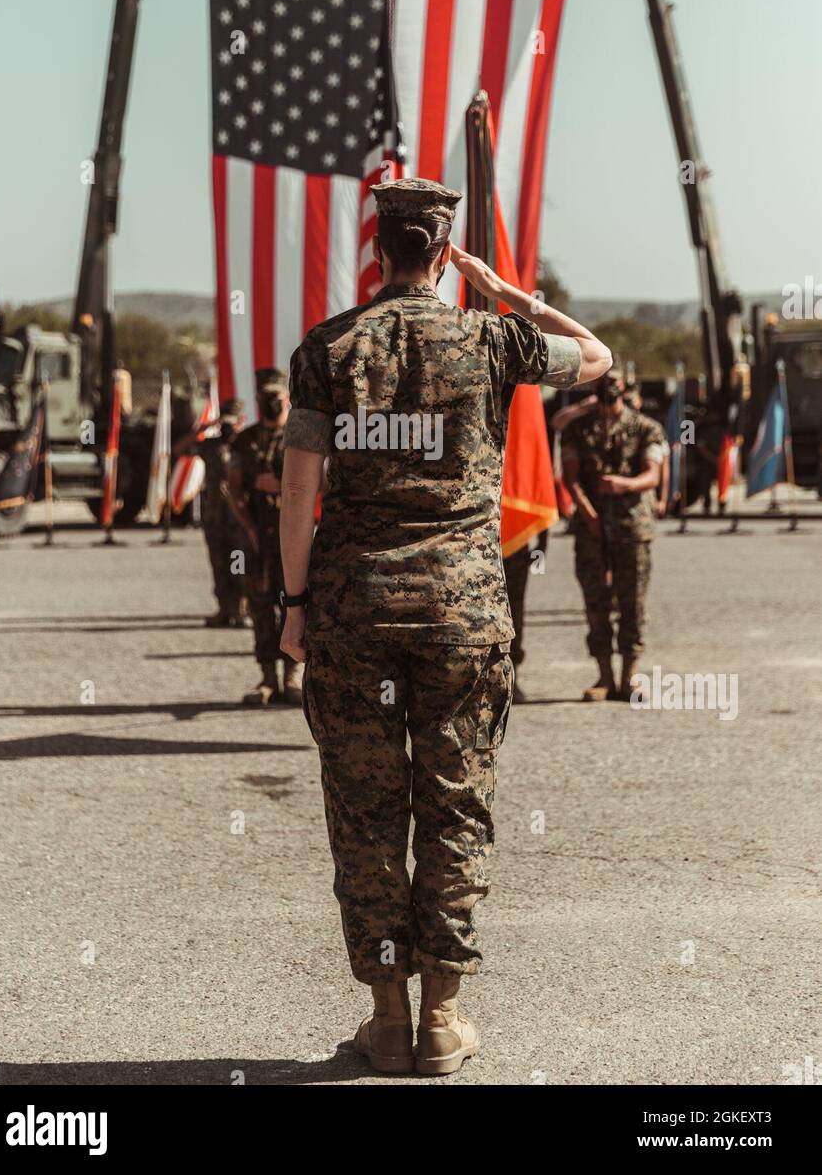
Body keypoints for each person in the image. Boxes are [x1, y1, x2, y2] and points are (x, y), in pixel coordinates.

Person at [278, 177, 611, 1076]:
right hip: (461, 611)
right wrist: (503, 288)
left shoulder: (328, 347)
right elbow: (598, 355)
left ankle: (387, 1018)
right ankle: (443, 1020)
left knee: (366, 810)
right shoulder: (492, 337)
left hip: (353, 608)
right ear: (443, 245)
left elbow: (300, 490)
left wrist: (295, 606)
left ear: (378, 247)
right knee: (456, 802)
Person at [560, 371, 665, 702]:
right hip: (590, 528)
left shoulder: (646, 427)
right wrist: (586, 511)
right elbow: (570, 476)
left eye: (615, 383)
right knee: (596, 601)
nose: (609, 388)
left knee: (632, 601)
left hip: (631, 526)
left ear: (626, 389)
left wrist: (625, 485)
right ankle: (604, 675)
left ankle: (629, 675)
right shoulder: (578, 428)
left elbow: (652, 474)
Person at [227, 369, 303, 707]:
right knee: (260, 606)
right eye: (264, 398)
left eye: (276, 397)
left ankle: (293, 676)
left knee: (295, 603)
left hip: (295, 536)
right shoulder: (246, 440)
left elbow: (325, 483)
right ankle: (268, 678)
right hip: (259, 537)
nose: (271, 403)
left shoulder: (300, 437)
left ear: (286, 398)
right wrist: (249, 528)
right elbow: (234, 489)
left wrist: (284, 488)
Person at [174, 398, 246, 628]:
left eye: (231, 424)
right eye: (224, 424)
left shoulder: (247, 445)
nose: (226, 429)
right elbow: (179, 450)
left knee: (240, 564)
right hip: (215, 518)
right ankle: (224, 609)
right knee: (219, 564)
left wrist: (239, 433)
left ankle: (241, 609)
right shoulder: (211, 445)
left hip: (239, 519)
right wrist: (203, 429)